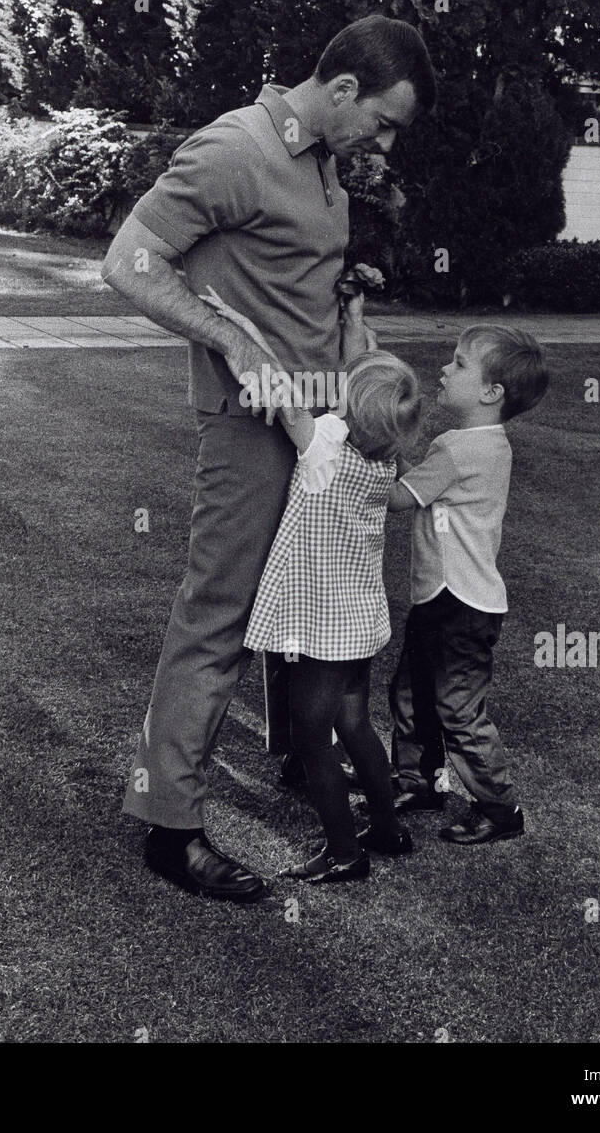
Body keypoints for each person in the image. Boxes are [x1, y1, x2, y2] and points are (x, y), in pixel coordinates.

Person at [100, 15, 436, 902]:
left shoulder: (323, 162)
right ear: (341, 91)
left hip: (315, 427)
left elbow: (292, 283)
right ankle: (170, 826)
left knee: (305, 601)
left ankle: (299, 757)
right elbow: (128, 263)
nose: (386, 143)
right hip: (251, 429)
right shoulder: (234, 148)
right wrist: (230, 343)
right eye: (385, 122)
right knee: (218, 616)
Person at [203, 289, 422, 883]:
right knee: (354, 724)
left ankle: (346, 853)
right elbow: (362, 374)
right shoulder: (384, 462)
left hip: (321, 624)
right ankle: (387, 827)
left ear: (349, 409)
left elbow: (271, 379)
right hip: (360, 621)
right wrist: (355, 322)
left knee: (312, 736)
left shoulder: (323, 447)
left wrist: (238, 322)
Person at [386, 325, 549, 844]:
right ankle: (420, 782)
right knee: (412, 693)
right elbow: (425, 481)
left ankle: (501, 810)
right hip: (444, 598)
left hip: (460, 604)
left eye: (457, 364)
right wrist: (395, 457)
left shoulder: (461, 451)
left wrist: (364, 446)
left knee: (457, 708)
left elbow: (400, 497)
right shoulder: (475, 444)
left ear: (490, 393)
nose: (443, 370)